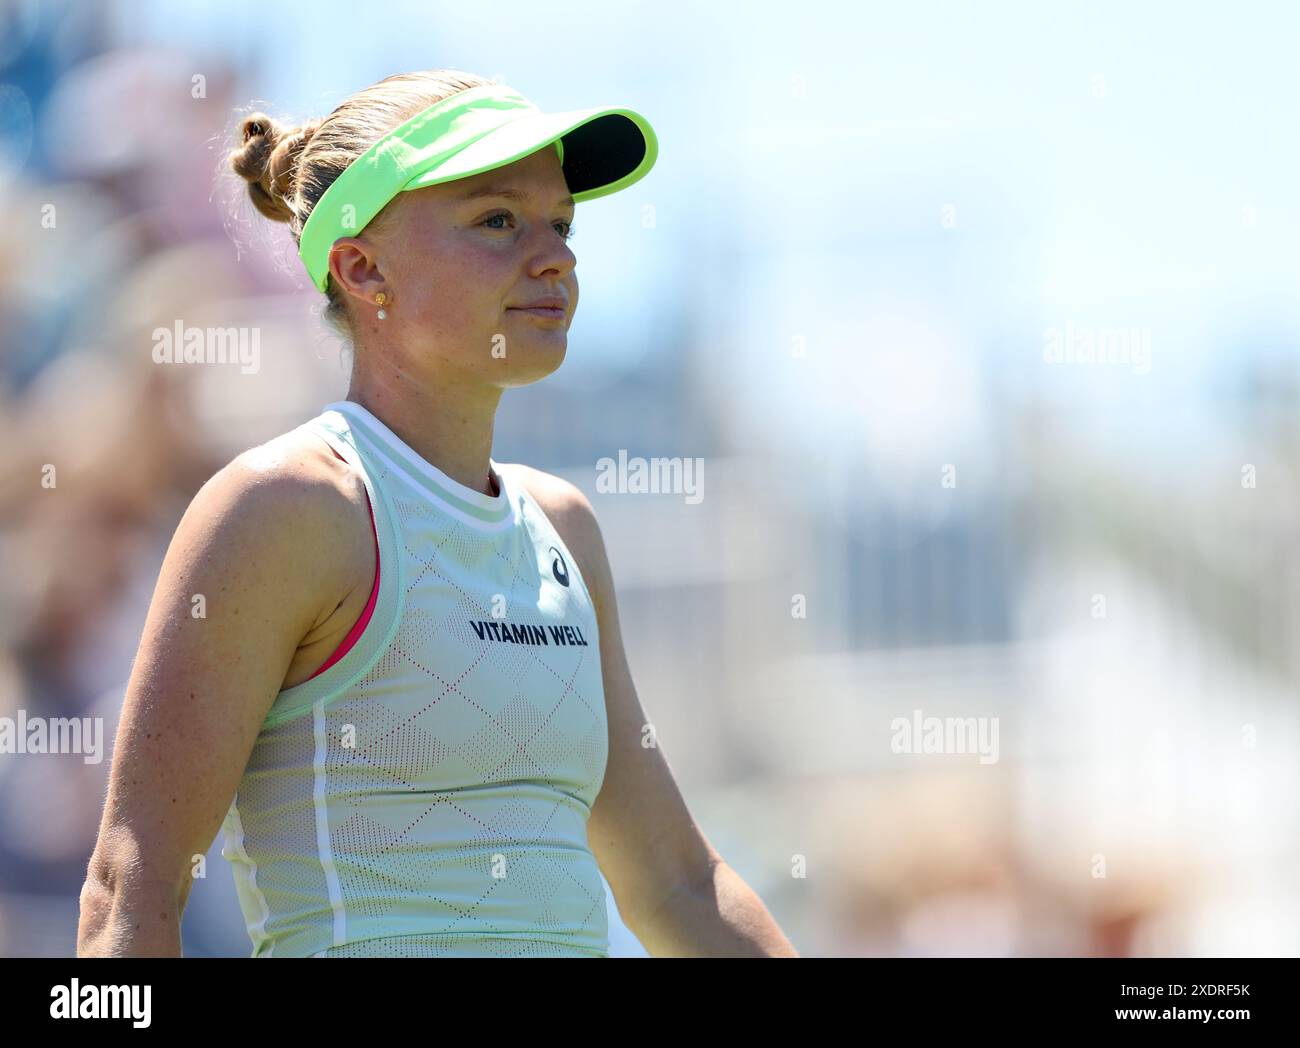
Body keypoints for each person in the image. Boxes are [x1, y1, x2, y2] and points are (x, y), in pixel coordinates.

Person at [77, 68, 798, 958]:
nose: (555, 257)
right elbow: (129, 890)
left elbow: (678, 885)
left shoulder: (563, 528)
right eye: (497, 220)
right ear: (362, 267)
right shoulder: (286, 508)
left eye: (562, 224)